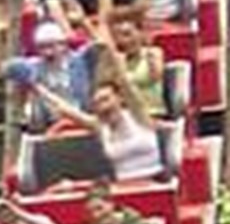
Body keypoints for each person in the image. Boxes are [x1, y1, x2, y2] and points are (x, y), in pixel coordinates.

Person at [33, 76, 166, 182]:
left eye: (106, 99)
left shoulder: (139, 115)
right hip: (122, 187)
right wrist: (35, 86)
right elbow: (62, 107)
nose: (102, 106)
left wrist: (110, 48)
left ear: (119, 98)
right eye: (97, 103)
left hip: (155, 181)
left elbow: (125, 82)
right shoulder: (100, 126)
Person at [5, 19, 94, 132]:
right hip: (50, 125)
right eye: (42, 47)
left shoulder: (80, 61)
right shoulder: (34, 67)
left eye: (52, 46)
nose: (48, 53)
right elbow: (7, 67)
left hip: (82, 120)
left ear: (63, 45)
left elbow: (101, 45)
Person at [89, 4, 168, 118]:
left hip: (151, 114)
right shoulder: (110, 59)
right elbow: (101, 89)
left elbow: (155, 75)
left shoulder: (153, 53)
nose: (124, 41)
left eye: (127, 34)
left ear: (140, 32)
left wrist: (122, 70)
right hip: (122, 117)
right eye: (117, 36)